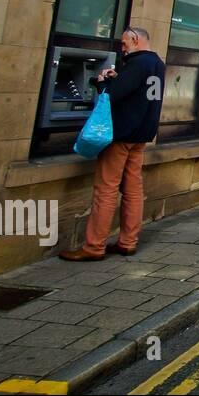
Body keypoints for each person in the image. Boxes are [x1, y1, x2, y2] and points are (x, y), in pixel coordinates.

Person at [61, 27, 165, 261]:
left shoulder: (137, 63)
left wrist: (101, 82)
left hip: (121, 134)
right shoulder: (157, 64)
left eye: (124, 42)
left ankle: (94, 246)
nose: (122, 47)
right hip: (141, 134)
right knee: (133, 189)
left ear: (136, 40)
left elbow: (113, 94)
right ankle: (128, 242)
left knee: (106, 189)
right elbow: (140, 92)